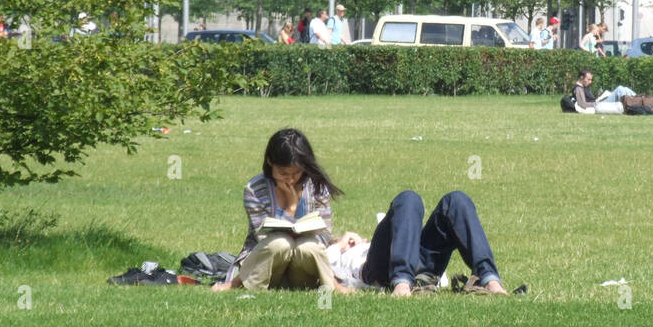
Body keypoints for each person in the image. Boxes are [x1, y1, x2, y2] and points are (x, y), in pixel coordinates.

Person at [213, 128, 341, 292]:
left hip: (303, 267)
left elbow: (324, 235)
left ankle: (330, 287)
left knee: (309, 246)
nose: (290, 179)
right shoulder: (255, 189)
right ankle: (247, 285)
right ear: (269, 162)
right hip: (268, 264)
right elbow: (262, 237)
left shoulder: (317, 187)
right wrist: (291, 208)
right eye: (283, 173)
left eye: (296, 173)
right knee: (280, 244)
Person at [325, 190, 508, 297]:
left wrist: (360, 241)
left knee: (456, 200)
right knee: (408, 199)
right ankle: (402, 284)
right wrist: (340, 244)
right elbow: (320, 260)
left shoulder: (364, 245)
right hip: (383, 270)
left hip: (419, 264)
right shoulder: (335, 254)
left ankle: (489, 279)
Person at [571, 68, 635, 114]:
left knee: (624, 89)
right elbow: (583, 104)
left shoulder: (584, 86)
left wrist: (600, 96)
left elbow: (590, 98)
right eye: (588, 79)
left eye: (591, 79)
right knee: (620, 89)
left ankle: (639, 100)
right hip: (598, 105)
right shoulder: (578, 89)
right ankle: (638, 102)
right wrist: (597, 103)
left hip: (598, 102)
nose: (590, 82)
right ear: (581, 77)